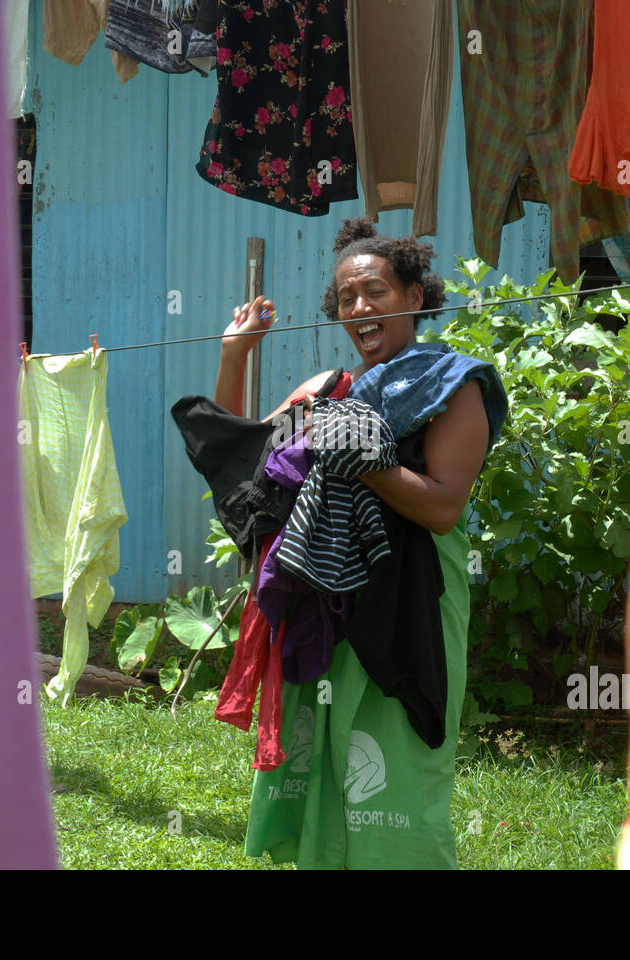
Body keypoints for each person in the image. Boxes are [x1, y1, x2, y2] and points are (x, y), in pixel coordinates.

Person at [211, 218, 506, 869]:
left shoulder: (454, 389)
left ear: (414, 297)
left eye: (375, 291)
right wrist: (236, 354)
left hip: (412, 610)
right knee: (327, 770)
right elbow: (244, 466)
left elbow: (442, 507)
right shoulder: (327, 393)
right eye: (346, 298)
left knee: (396, 770)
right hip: (329, 609)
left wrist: (364, 461)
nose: (359, 308)